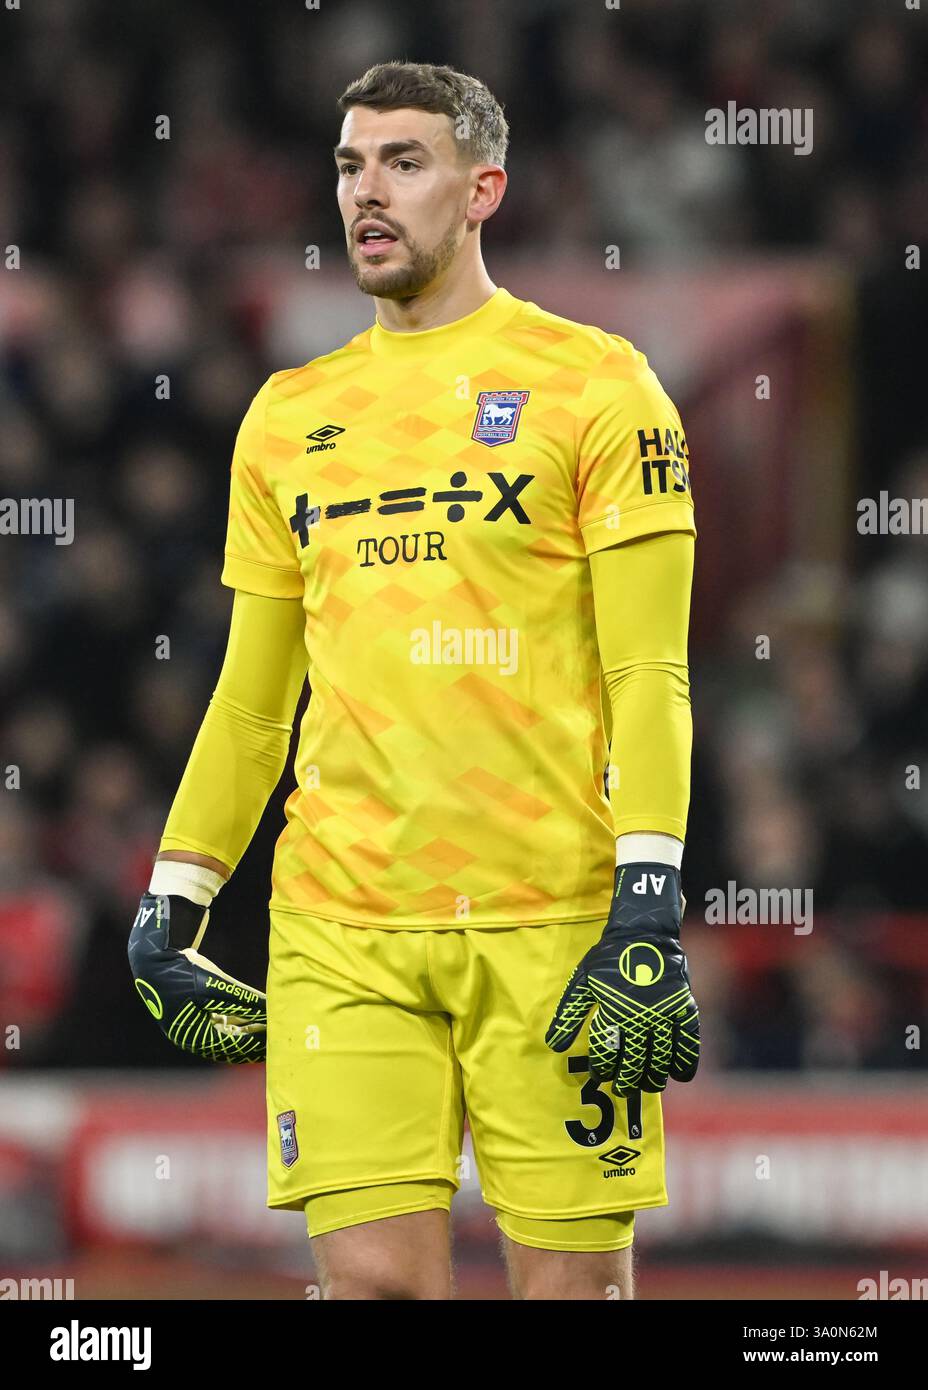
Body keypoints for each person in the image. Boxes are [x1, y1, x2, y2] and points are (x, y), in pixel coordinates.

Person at [128, 61, 699, 1301]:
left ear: (483, 188)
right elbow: (251, 699)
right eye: (347, 165)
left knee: (569, 1297)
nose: (365, 194)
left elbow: (649, 665)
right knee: (376, 1294)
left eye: (403, 162)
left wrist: (648, 891)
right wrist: (177, 892)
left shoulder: (599, 387)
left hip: (555, 923)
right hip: (341, 930)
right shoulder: (288, 417)